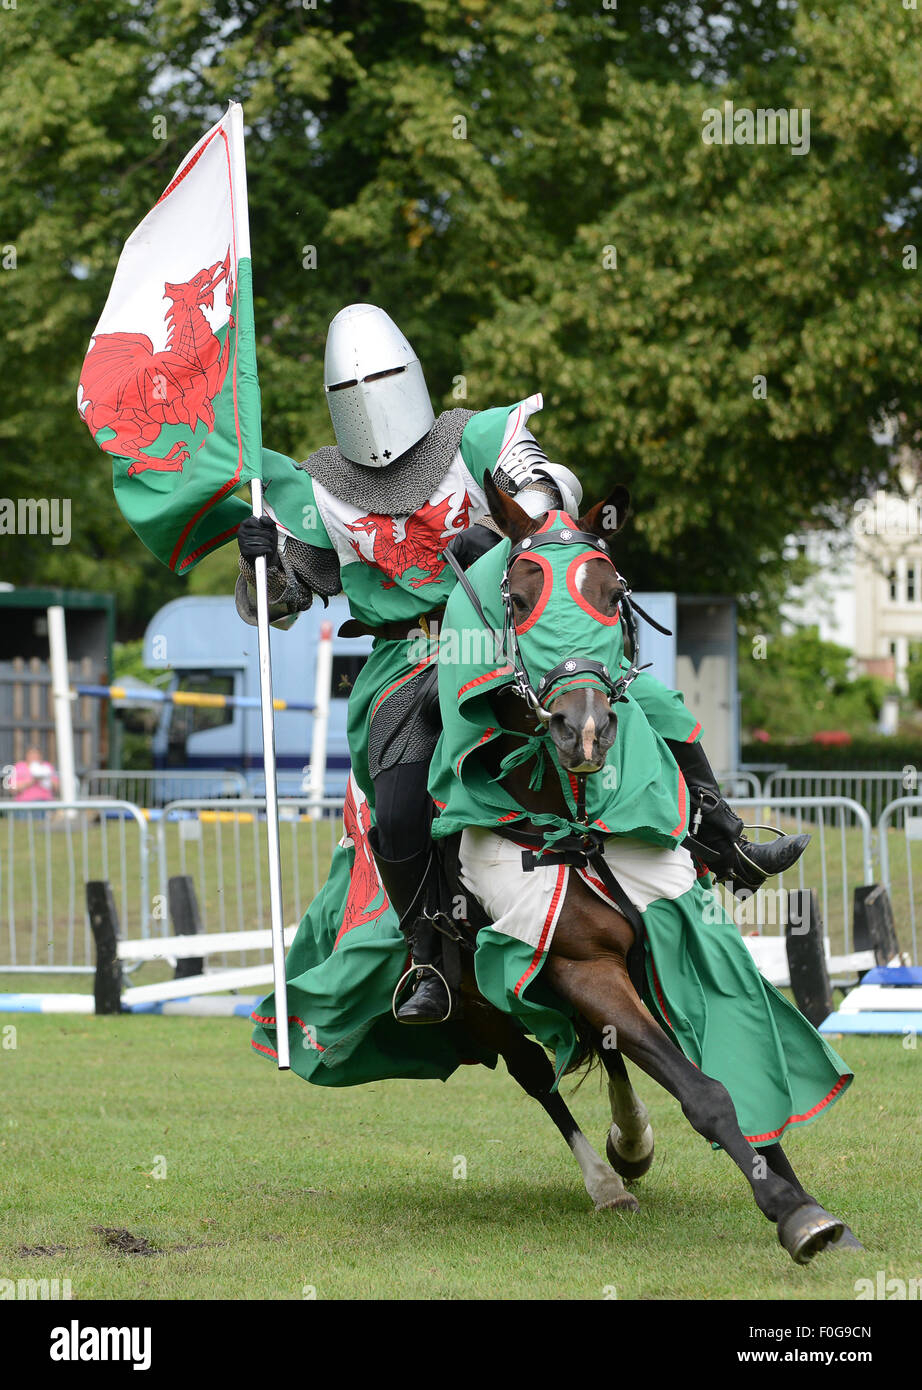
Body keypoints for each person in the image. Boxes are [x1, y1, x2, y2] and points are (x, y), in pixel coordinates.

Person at [236, 303, 807, 1022]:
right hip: (408, 658)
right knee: (402, 800)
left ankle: (725, 839)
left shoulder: (475, 437)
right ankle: (425, 956)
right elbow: (275, 603)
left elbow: (549, 497)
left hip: (507, 636)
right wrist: (259, 563)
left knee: (653, 705)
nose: (371, 402)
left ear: (410, 375)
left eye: (381, 380)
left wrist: (508, 535)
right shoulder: (318, 488)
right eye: (353, 392)